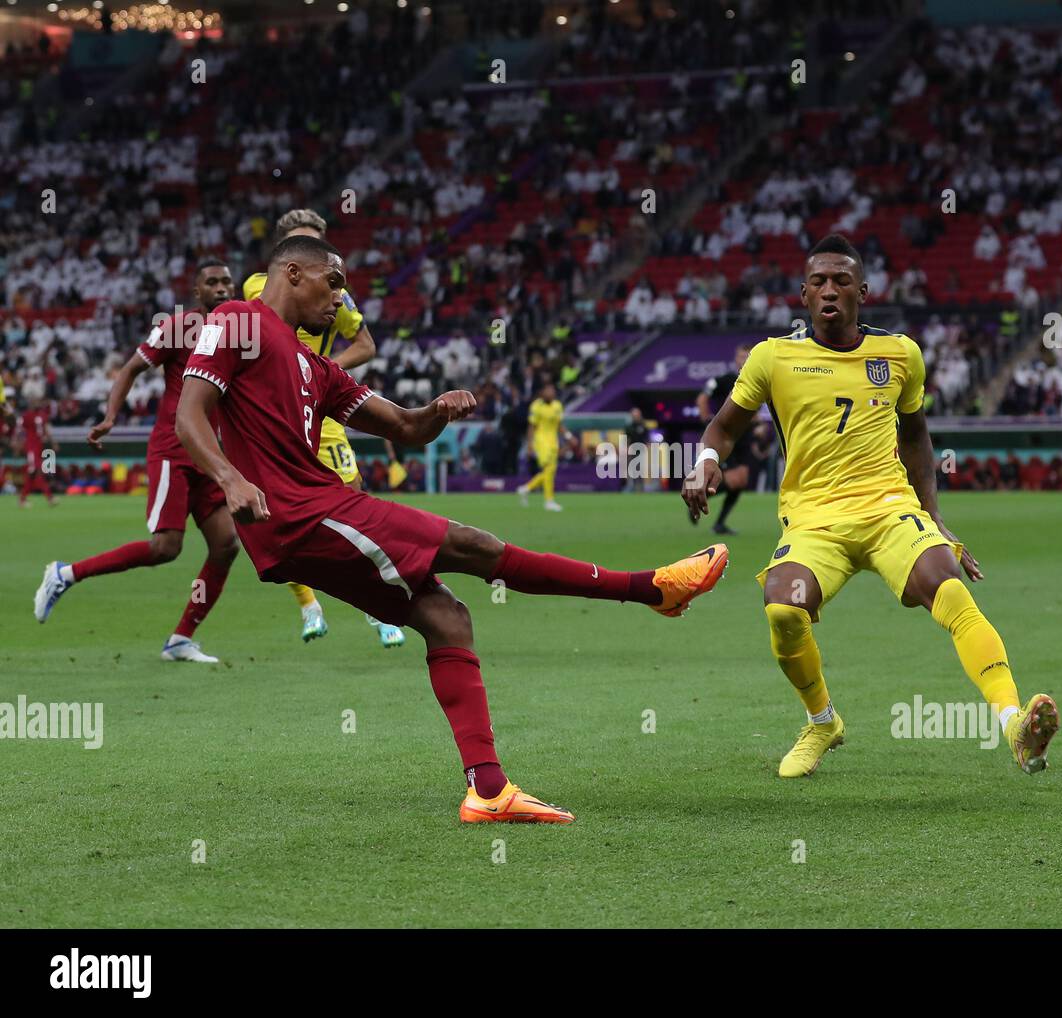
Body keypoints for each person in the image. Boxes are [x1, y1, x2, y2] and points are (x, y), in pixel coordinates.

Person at [176, 234, 728, 823]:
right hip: (299, 512)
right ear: (292, 272)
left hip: (310, 514)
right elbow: (190, 414)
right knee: (474, 545)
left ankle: (488, 791)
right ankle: (650, 589)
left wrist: (436, 412)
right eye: (333, 282)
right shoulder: (239, 320)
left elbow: (405, 429)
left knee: (447, 618)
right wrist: (230, 479)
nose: (342, 298)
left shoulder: (317, 367)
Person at [682, 234, 1059, 779]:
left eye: (840, 280)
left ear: (863, 291)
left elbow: (917, 440)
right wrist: (707, 460)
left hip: (888, 511)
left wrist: (933, 519)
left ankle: (1014, 726)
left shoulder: (900, 353)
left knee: (947, 583)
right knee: (784, 606)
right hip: (814, 519)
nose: (829, 290)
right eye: (818, 281)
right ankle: (822, 722)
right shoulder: (773, 357)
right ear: (803, 295)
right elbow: (724, 426)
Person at [33, 260, 240, 663]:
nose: (220, 288)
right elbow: (130, 369)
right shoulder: (179, 327)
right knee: (166, 547)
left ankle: (181, 638)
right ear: (197, 292)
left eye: (226, 281)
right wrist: (111, 416)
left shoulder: (243, 333)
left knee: (226, 544)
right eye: (211, 282)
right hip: (174, 449)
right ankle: (65, 574)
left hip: (210, 456)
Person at [243, 208, 404, 646]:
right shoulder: (255, 289)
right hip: (274, 418)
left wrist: (319, 371)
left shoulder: (337, 297)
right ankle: (308, 606)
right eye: (301, 242)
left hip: (323, 418)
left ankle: (376, 606)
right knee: (278, 516)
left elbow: (365, 345)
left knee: (354, 504)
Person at [693, 344, 754, 535]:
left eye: (748, 356)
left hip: (746, 434)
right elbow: (702, 398)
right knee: (736, 480)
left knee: (742, 480)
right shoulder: (725, 380)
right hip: (728, 434)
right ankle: (697, 496)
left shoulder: (756, 379)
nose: (744, 360)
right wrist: (707, 420)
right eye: (741, 357)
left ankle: (719, 523)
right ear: (735, 359)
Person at [516, 378, 567, 511]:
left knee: (550, 471)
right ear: (542, 392)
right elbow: (532, 426)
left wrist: (569, 436)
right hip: (541, 440)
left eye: (552, 390)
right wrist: (529, 445)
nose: (551, 392)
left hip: (553, 441)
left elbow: (559, 425)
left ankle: (526, 488)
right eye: (548, 390)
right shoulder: (536, 406)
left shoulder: (557, 406)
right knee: (549, 469)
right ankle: (549, 501)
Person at [17, 396, 57, 508]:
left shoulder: (42, 415)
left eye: (37, 402)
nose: (36, 404)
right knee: (37, 472)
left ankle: (22, 499)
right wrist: (19, 445)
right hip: (30, 447)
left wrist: (53, 443)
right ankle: (50, 497)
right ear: (30, 403)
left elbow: (46, 429)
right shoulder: (26, 416)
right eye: (34, 402)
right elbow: (20, 431)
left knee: (32, 474)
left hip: (39, 447)